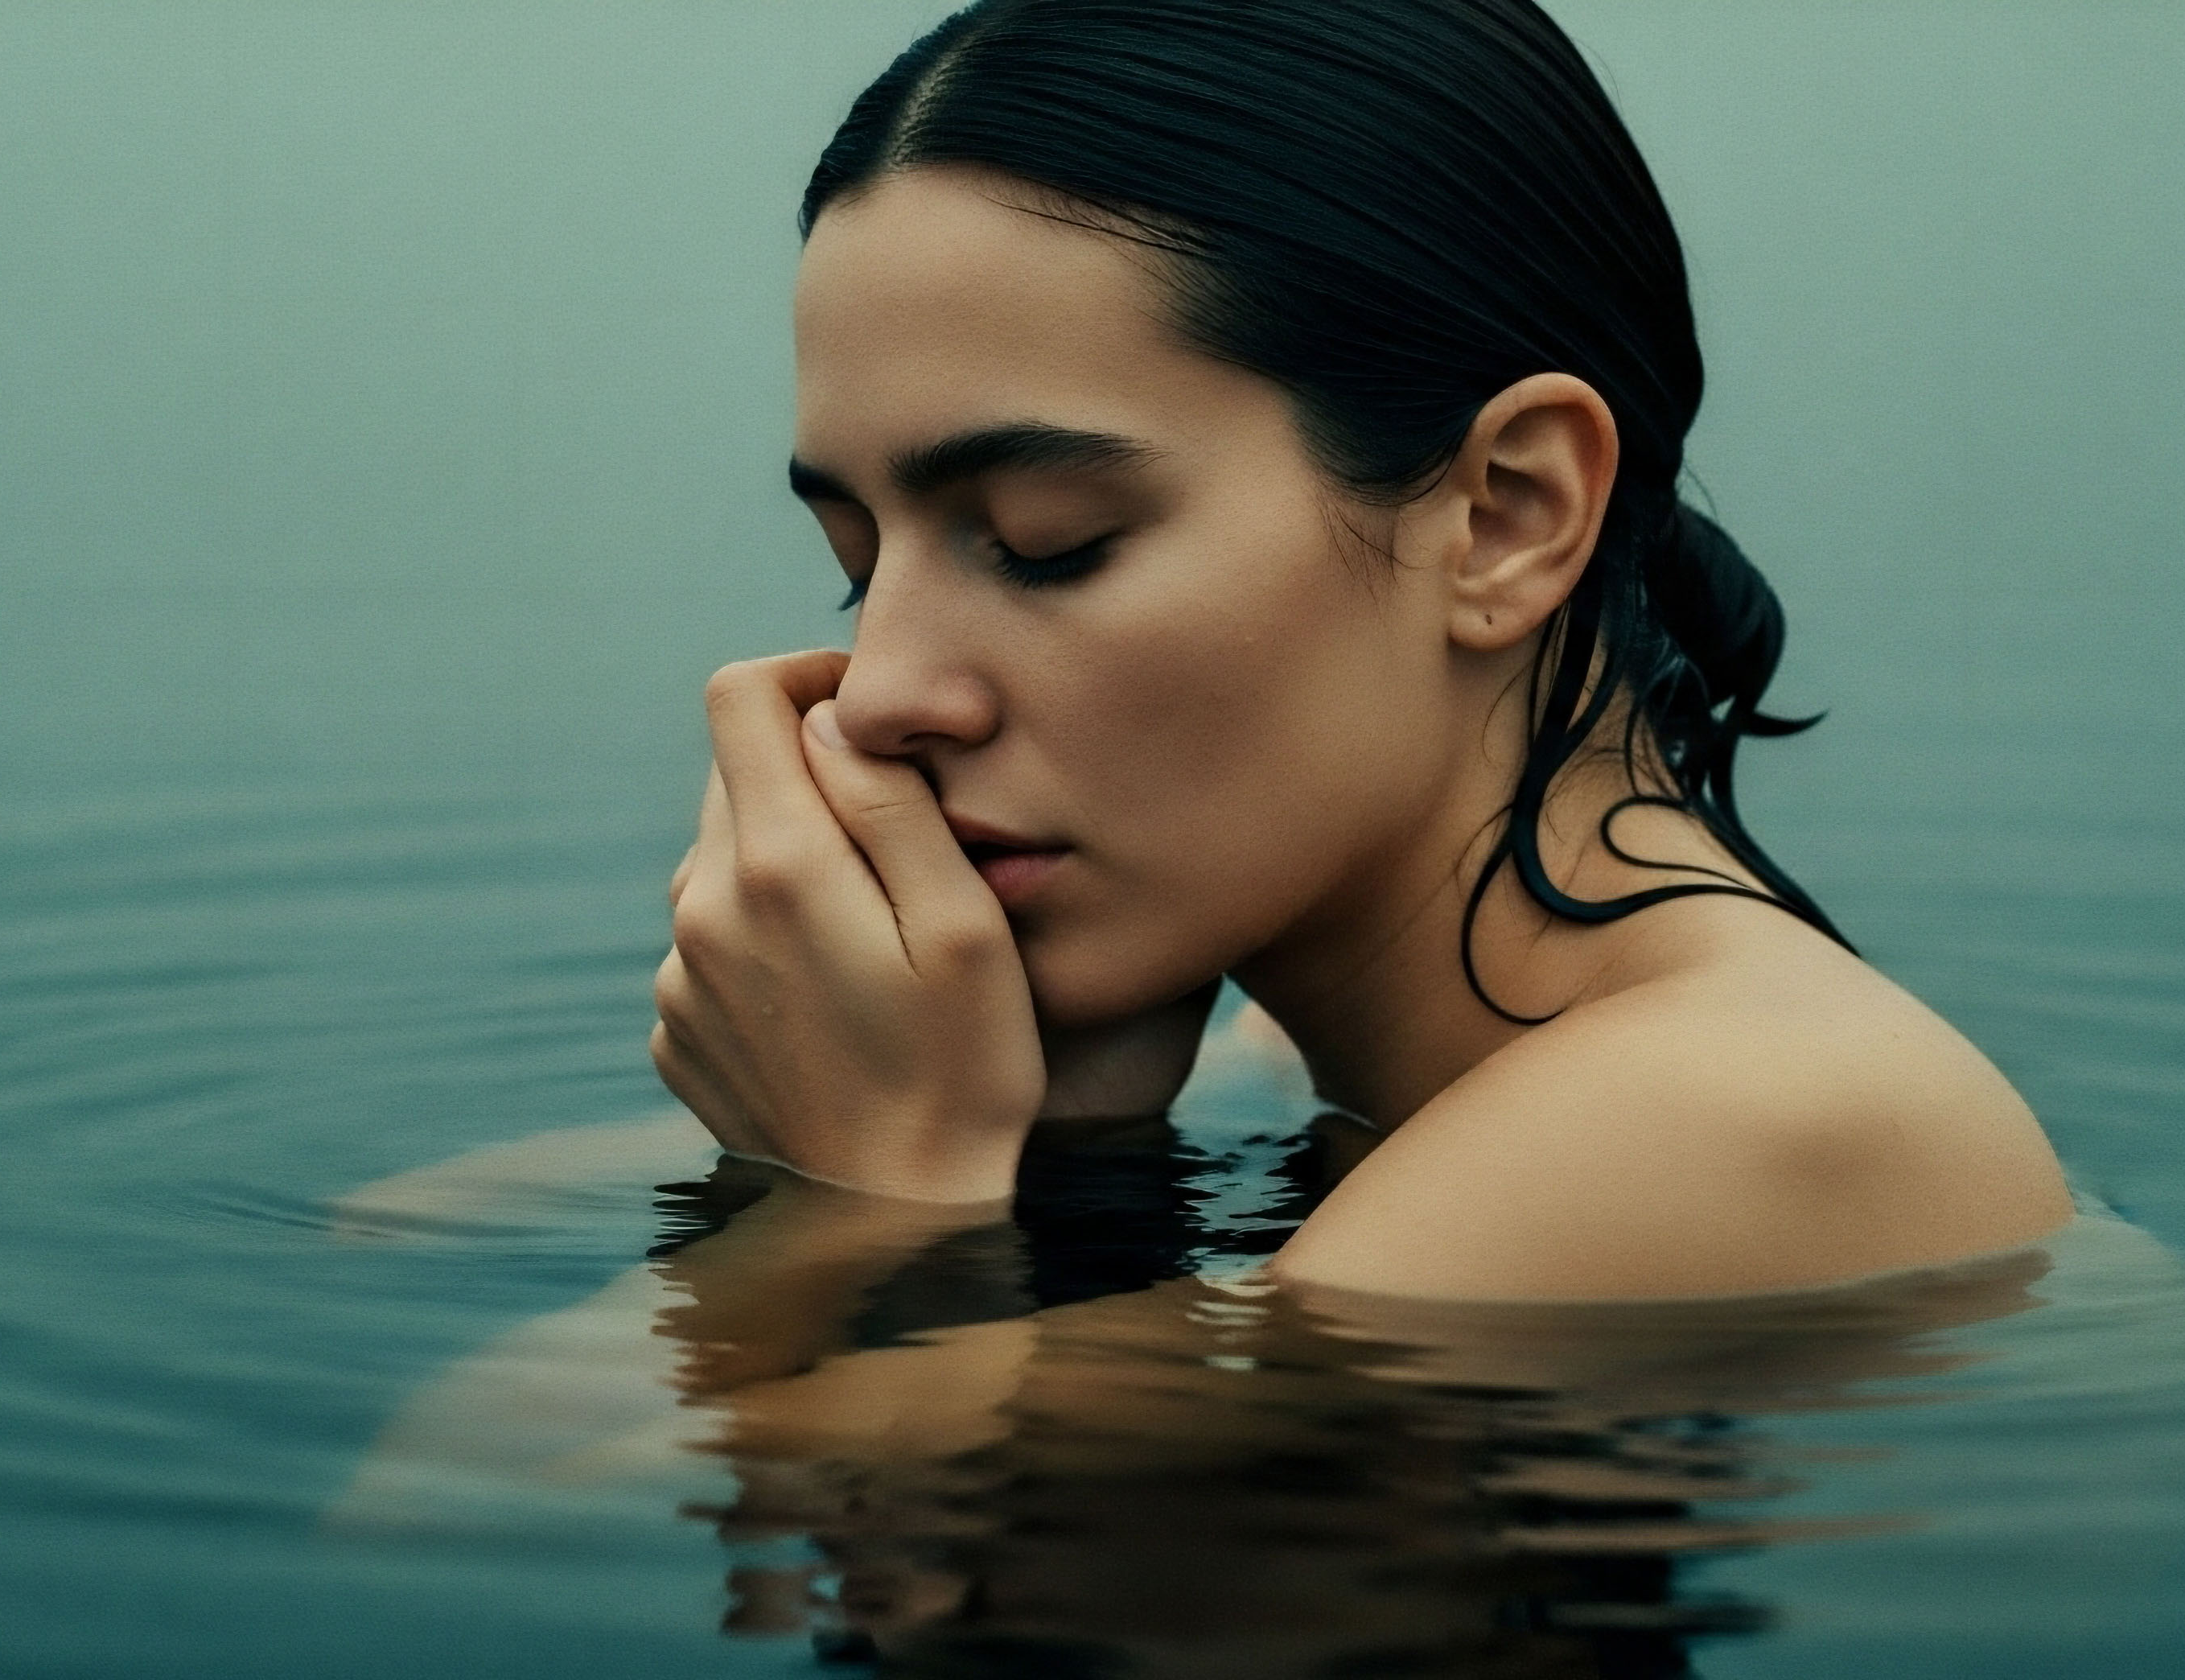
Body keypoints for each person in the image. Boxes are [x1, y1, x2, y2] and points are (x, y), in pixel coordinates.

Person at [646, 0, 2075, 1300]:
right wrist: (1063, 1132)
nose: (882, 697)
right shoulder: (1305, 1070)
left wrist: (882, 1201)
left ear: (1506, 516)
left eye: (1048, 540)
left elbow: (551, 1498)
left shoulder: (1740, 1112)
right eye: (858, 571)